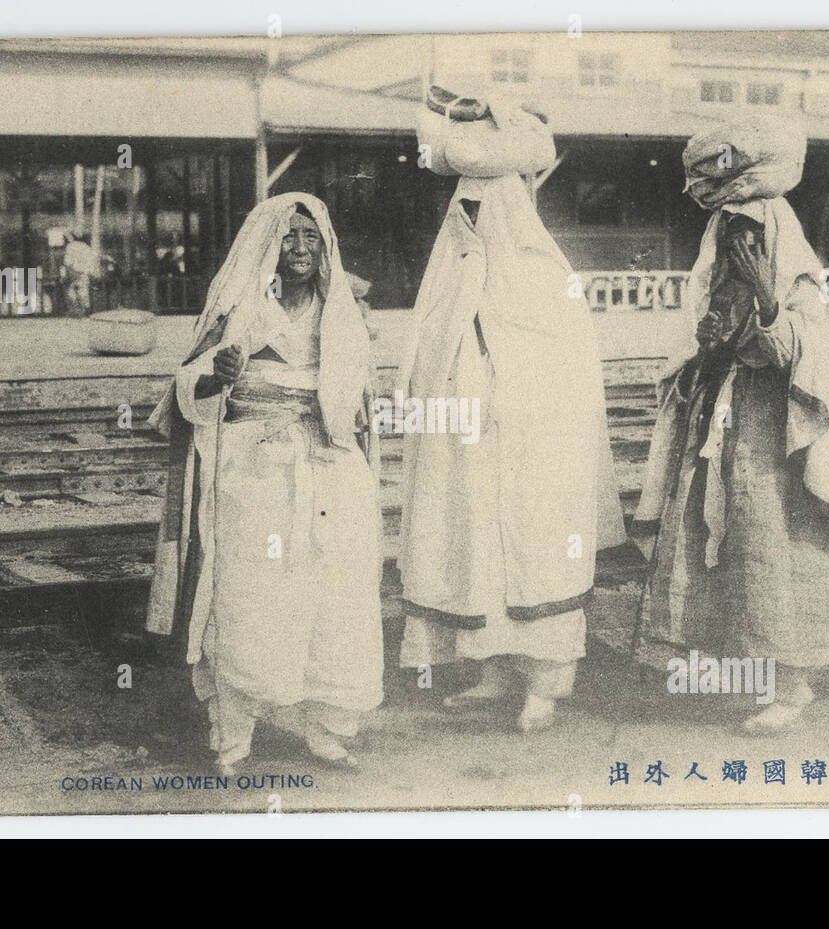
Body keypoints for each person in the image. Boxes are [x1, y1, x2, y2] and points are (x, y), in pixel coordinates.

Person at [632, 118, 829, 733]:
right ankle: (744, 671)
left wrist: (764, 306)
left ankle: (790, 685)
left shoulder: (774, 232)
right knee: (723, 536)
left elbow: (797, 340)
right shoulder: (726, 228)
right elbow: (711, 315)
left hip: (773, 417)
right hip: (725, 401)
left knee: (770, 535)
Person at [397, 91, 626, 734]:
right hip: (470, 451)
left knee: (533, 553)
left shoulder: (541, 282)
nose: (470, 221)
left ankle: (545, 684)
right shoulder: (451, 279)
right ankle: (490, 670)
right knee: (471, 547)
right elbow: (425, 366)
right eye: (463, 209)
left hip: (530, 456)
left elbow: (562, 382)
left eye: (480, 209)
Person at [146, 194, 382, 774]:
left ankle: (327, 729)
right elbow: (185, 391)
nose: (300, 249)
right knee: (252, 594)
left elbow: (365, 406)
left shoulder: (343, 314)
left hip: (331, 470)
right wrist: (216, 377)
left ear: (325, 247)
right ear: (267, 245)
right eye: (288, 237)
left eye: (311, 238)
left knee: (337, 594)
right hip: (256, 470)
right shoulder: (242, 308)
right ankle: (233, 735)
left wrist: (345, 406)